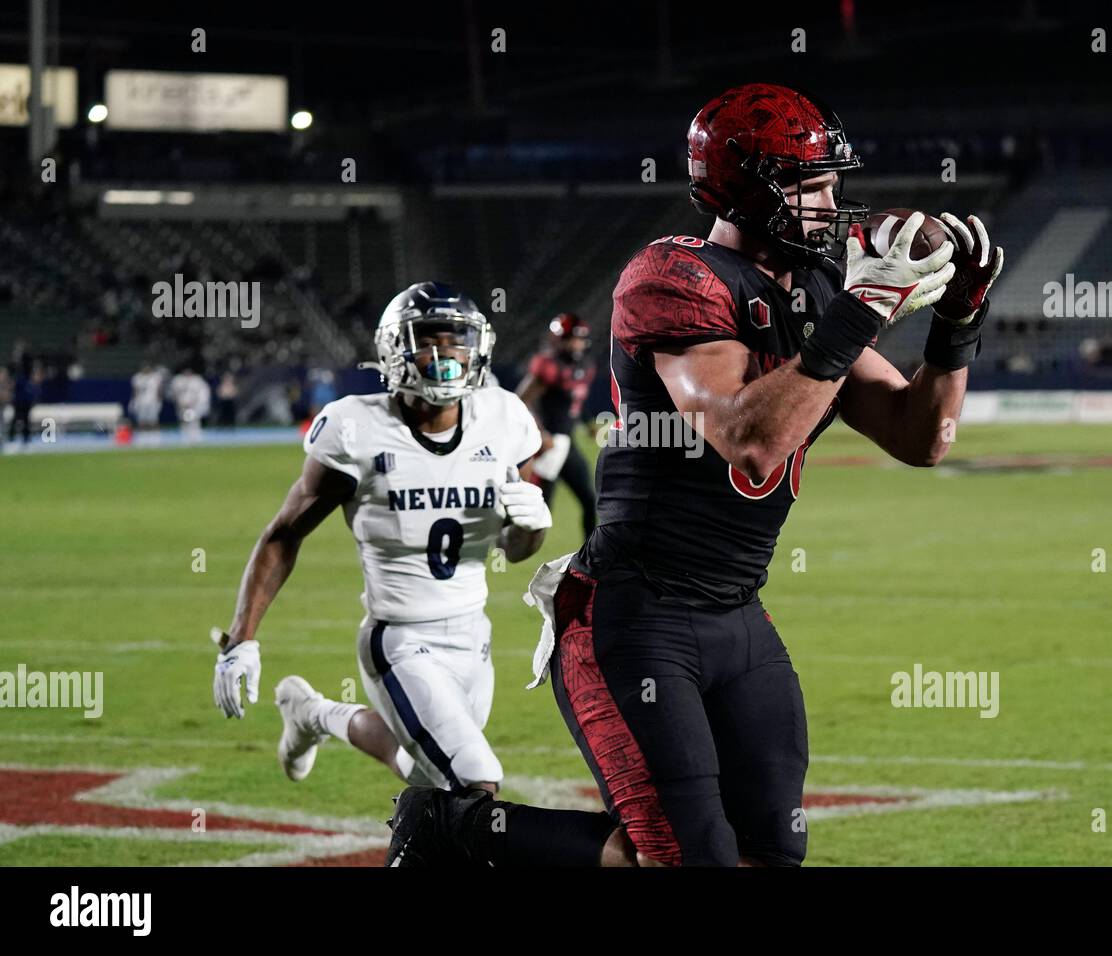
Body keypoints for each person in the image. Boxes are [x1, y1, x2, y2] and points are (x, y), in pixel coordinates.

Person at [386, 83, 1003, 867]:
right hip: (636, 614)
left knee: (773, 852)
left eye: (831, 182)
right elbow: (749, 439)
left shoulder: (813, 291)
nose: (831, 202)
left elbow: (923, 439)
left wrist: (957, 328)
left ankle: (461, 829)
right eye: (808, 185)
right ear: (746, 191)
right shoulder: (675, 278)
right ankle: (458, 829)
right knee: (689, 859)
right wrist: (861, 310)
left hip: (739, 614)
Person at [211, 282, 552, 798]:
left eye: (456, 341)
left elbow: (515, 547)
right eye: (428, 341)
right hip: (398, 638)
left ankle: (315, 714)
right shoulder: (356, 427)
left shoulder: (502, 418)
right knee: (475, 780)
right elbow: (284, 534)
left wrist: (533, 527)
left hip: (473, 635)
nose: (445, 356)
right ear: (395, 350)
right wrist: (242, 637)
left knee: (423, 771)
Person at [515, 313, 598, 538]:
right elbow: (521, 401)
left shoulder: (584, 366)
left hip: (566, 444)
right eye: (571, 338)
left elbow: (574, 401)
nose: (575, 343)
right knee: (539, 506)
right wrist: (540, 433)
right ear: (558, 340)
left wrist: (588, 422)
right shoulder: (549, 365)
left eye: (579, 338)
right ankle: (516, 545)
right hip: (546, 447)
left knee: (589, 499)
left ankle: (593, 557)